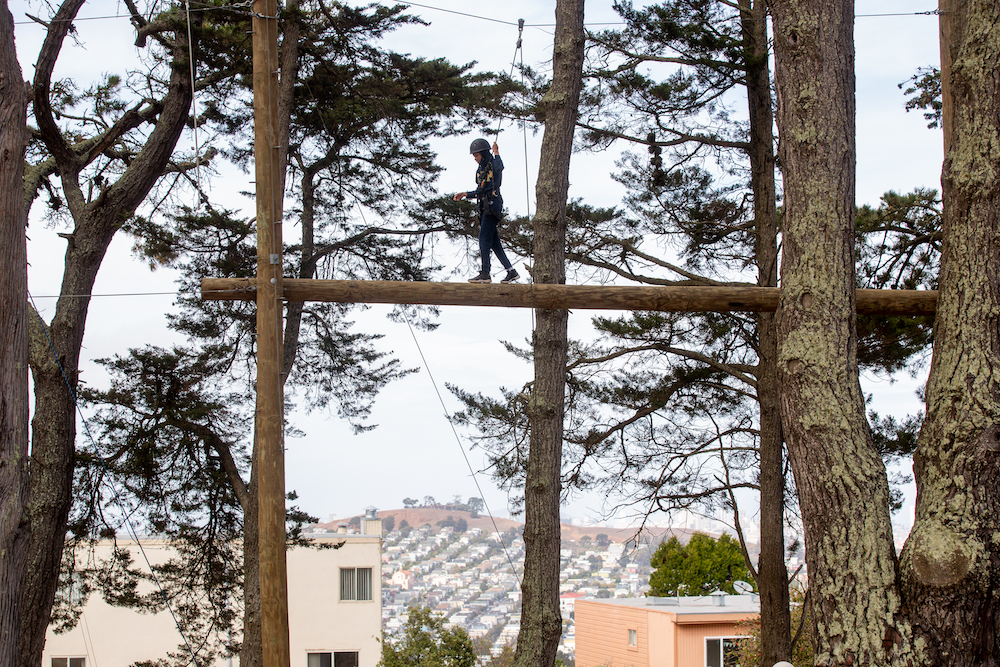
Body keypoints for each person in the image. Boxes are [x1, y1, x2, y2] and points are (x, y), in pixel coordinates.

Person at [453, 138, 519, 284]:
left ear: (483, 153)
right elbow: (480, 190)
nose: (475, 159)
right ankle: (511, 271)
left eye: (476, 155)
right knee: (494, 242)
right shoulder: (481, 169)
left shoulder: (493, 163)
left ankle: (485, 273)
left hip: (492, 206)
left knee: (484, 239)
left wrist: (496, 153)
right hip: (484, 207)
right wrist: (465, 194)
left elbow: (499, 168)